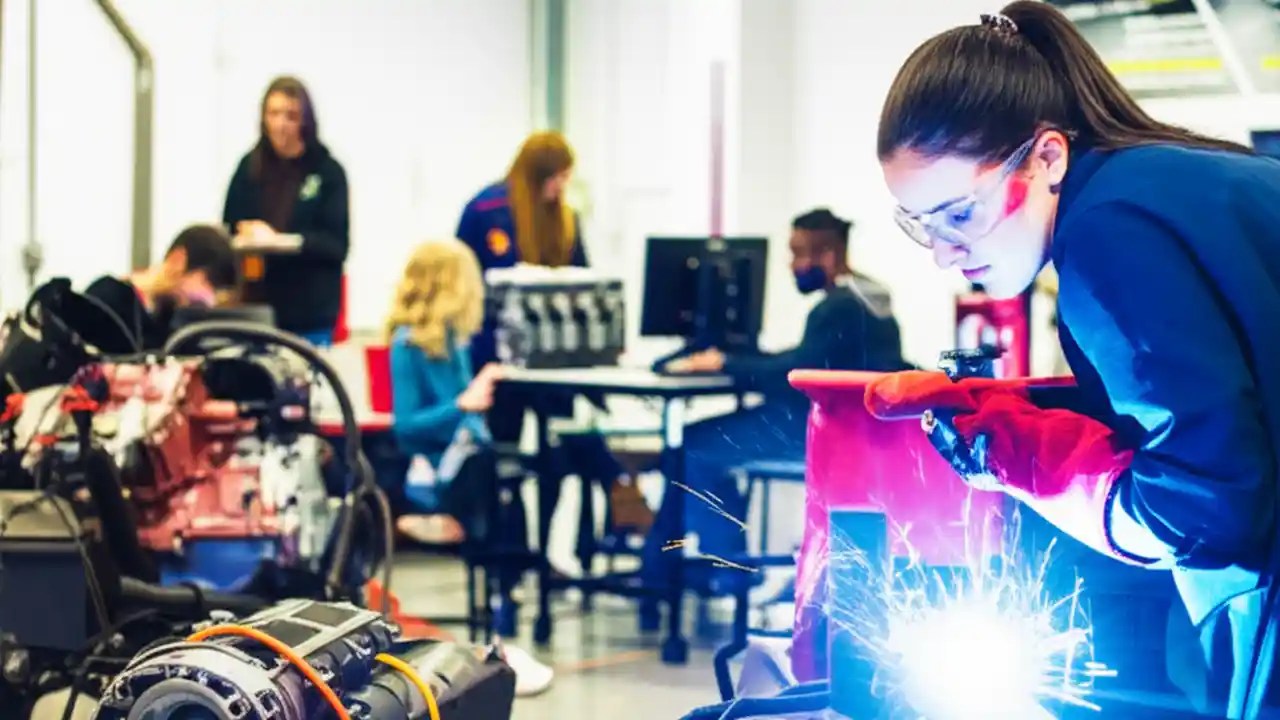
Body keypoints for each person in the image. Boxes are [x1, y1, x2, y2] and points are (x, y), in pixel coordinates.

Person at [867, 3, 1280, 717]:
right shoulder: (1178, 182)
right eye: (920, 225)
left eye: (958, 214)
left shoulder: (1106, 234)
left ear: (1048, 156)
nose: (943, 252)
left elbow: (1205, 513)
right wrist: (1039, 411)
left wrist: (1025, 456)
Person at [661, 208, 908, 595]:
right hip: (853, 428)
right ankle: (695, 563)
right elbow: (814, 357)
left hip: (810, 429)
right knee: (703, 447)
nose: (793, 266)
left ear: (827, 254)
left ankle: (725, 569)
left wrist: (726, 362)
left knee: (693, 448)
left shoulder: (838, 307)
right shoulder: (868, 294)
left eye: (799, 254)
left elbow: (795, 373)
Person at [456, 131, 633, 591]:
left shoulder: (564, 219)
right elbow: (465, 280)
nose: (560, 189)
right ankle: (508, 560)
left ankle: (547, 552)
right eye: (556, 178)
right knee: (504, 460)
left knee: (558, 454)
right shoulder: (484, 210)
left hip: (555, 366)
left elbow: (581, 280)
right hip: (496, 366)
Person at [384, 238, 554, 697]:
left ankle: (505, 602)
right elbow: (407, 427)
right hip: (433, 470)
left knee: (517, 471)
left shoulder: (454, 344)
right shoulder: (407, 345)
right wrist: (463, 404)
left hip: (466, 463)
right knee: (492, 481)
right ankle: (502, 614)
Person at [222, 75, 350, 346]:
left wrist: (282, 241)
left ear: (305, 120)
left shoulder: (327, 173)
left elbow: (336, 245)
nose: (281, 124)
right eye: (274, 114)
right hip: (257, 310)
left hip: (309, 314)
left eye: (290, 116)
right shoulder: (249, 168)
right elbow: (227, 227)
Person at [85, 223, 239, 350]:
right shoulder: (105, 299)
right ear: (178, 260)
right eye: (208, 282)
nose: (209, 301)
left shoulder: (173, 326)